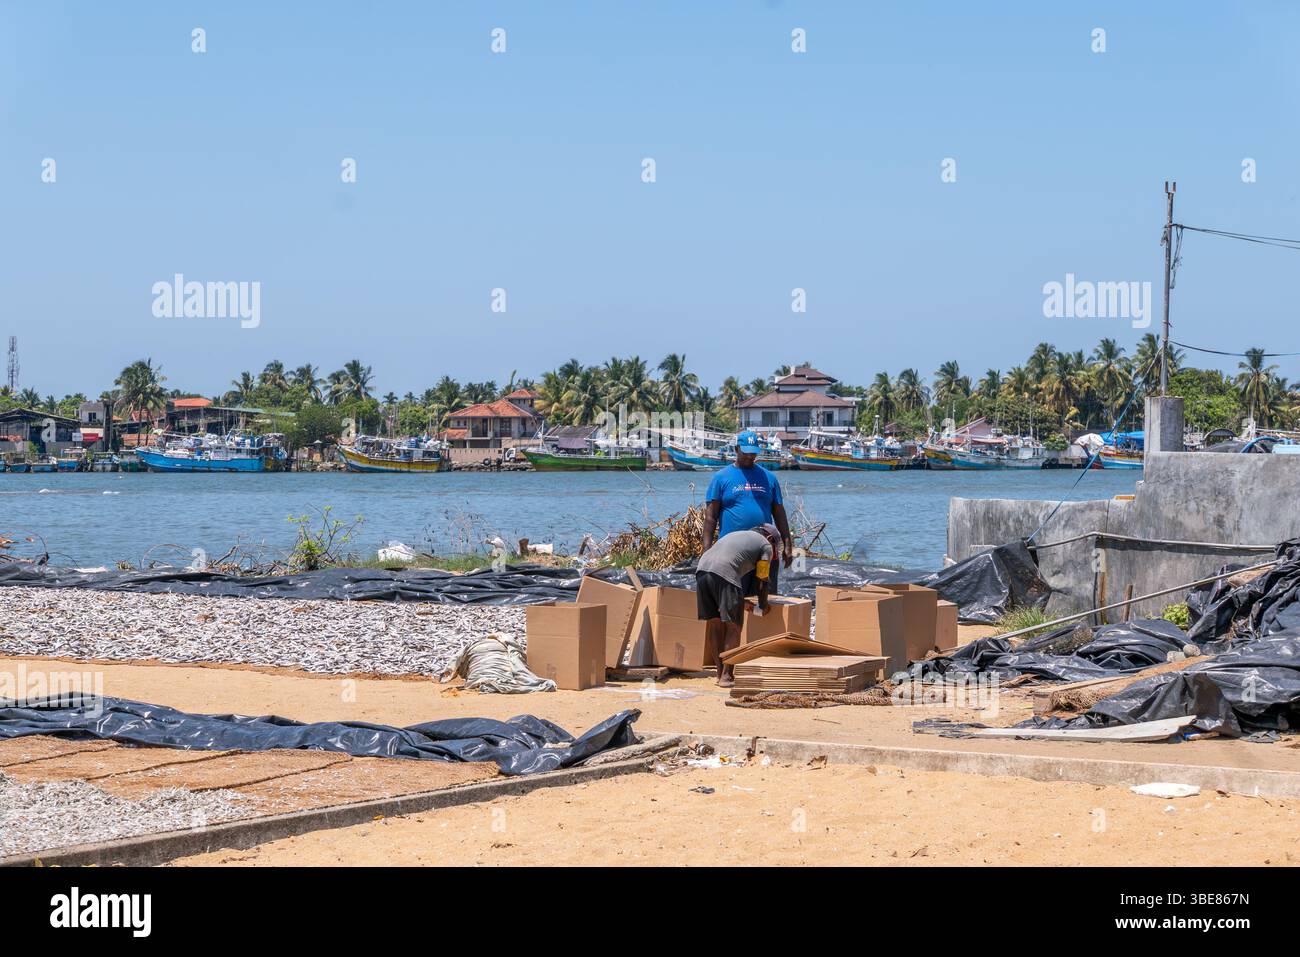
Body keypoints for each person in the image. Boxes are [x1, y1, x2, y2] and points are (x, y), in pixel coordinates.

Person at [701, 430, 794, 597]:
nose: (750, 456)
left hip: (764, 551)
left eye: (753, 453)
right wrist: (706, 551)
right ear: (736, 449)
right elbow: (710, 517)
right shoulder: (721, 478)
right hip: (733, 553)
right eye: (746, 452)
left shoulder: (769, 478)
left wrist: (787, 544)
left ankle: (762, 623)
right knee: (735, 600)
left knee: (765, 599)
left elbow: (779, 513)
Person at [696, 524, 780, 687]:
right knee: (733, 626)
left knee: (715, 624)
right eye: (775, 544)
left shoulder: (738, 535)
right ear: (769, 538)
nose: (774, 548)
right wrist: (763, 604)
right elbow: (762, 578)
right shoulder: (765, 545)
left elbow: (723, 577)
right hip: (724, 573)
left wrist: (742, 602)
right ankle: (727, 676)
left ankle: (719, 674)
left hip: (701, 571)